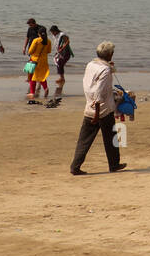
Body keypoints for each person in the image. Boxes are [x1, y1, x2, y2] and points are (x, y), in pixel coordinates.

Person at [69, 40, 127, 175]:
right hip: (102, 110)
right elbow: (99, 92)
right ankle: (113, 164)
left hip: (89, 106)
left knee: (84, 139)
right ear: (110, 54)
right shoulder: (105, 69)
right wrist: (97, 115)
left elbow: (89, 84)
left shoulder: (91, 64)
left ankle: (75, 166)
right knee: (111, 138)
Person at [26, 23, 52, 103]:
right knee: (41, 75)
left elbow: (30, 51)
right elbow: (49, 51)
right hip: (44, 60)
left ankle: (32, 93)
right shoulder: (49, 41)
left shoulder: (36, 40)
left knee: (32, 76)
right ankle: (46, 88)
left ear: (39, 33)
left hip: (35, 60)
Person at [50, 25, 73, 96]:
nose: (52, 34)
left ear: (55, 31)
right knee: (58, 62)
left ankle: (62, 78)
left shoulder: (62, 35)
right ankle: (61, 78)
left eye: (52, 32)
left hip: (66, 52)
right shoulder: (57, 35)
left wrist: (62, 48)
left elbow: (68, 41)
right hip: (61, 52)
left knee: (60, 63)